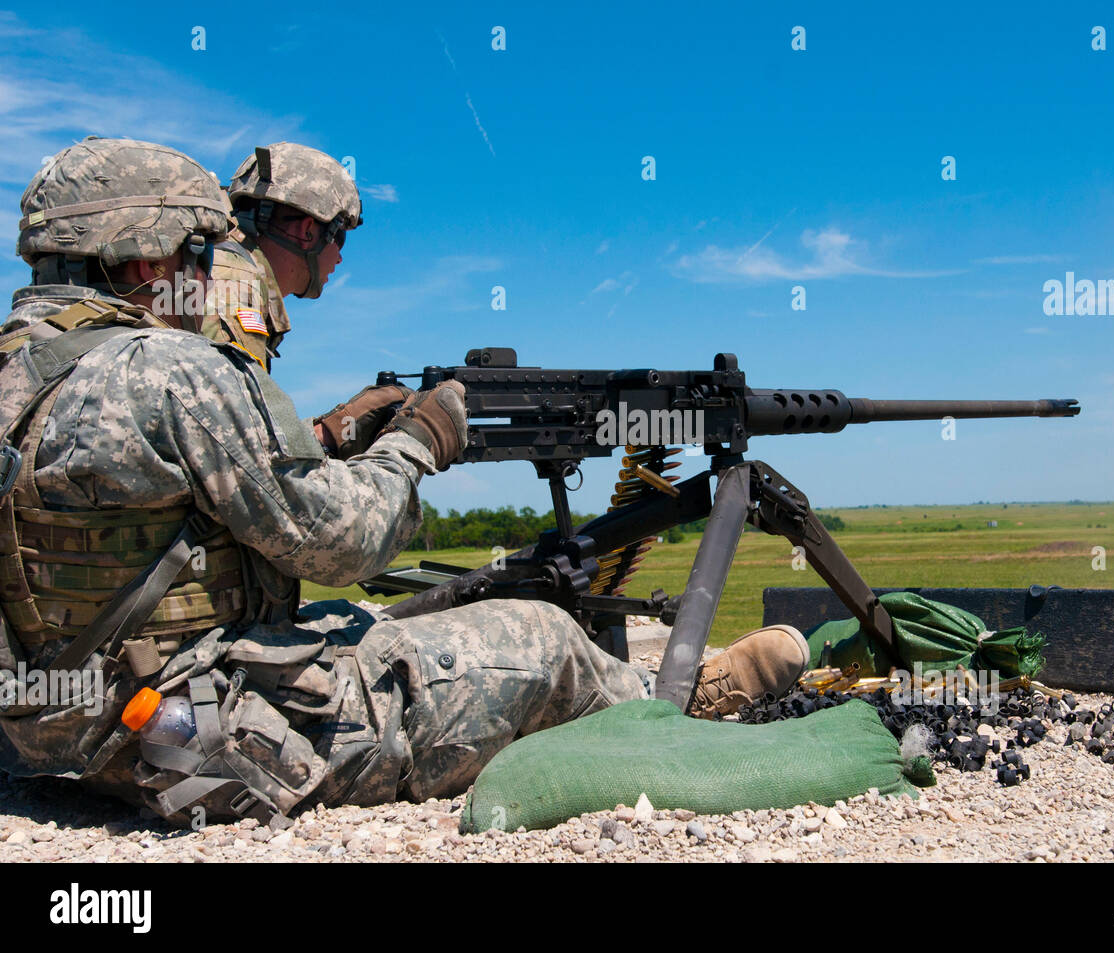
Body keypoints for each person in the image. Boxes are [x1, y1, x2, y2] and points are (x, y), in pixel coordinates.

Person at [0, 137, 808, 825]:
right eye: (196, 255)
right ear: (144, 259)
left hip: (53, 734)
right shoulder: (169, 369)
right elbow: (341, 543)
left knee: (355, 623)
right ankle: (680, 703)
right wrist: (420, 441)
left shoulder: (17, 369)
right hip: (187, 746)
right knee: (545, 636)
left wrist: (333, 433)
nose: (210, 278)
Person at [202, 142, 361, 370]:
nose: (339, 259)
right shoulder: (235, 289)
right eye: (340, 238)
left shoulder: (223, 269)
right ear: (307, 230)